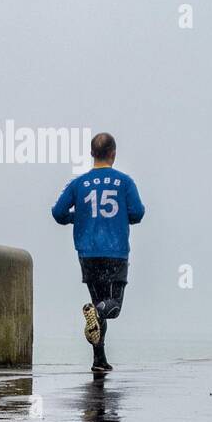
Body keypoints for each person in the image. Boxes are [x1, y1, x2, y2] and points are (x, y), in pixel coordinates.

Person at [51, 132, 145, 374]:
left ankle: (99, 359)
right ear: (113, 153)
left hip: (88, 252)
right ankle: (97, 313)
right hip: (115, 251)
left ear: (92, 154)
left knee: (98, 301)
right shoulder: (124, 182)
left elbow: (58, 212)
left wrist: (78, 218)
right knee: (111, 306)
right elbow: (137, 213)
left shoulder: (78, 183)